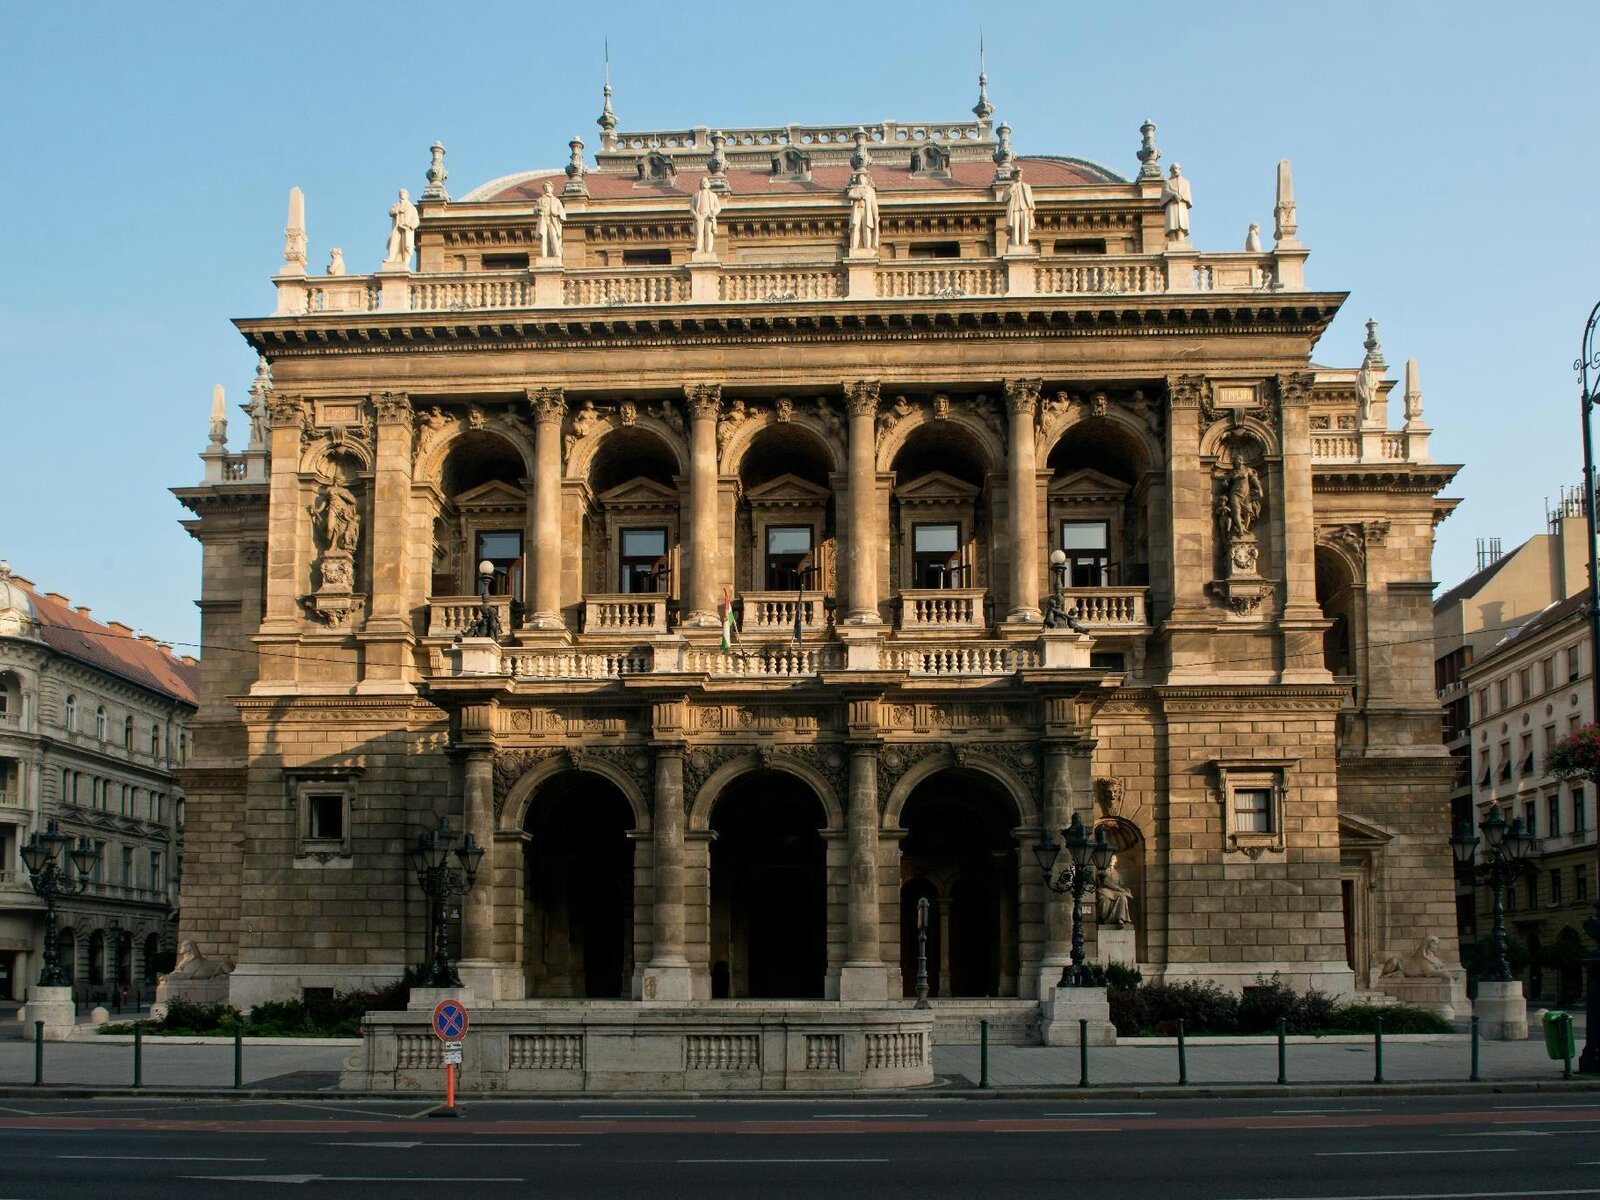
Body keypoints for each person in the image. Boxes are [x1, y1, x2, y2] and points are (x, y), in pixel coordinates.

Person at [384, 189, 419, 266]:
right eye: (401, 193)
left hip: (406, 229)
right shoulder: (396, 205)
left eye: (404, 193)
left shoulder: (411, 207)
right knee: (393, 241)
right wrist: (398, 210)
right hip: (397, 227)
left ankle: (405, 261)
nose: (402, 194)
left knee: (406, 245)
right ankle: (391, 258)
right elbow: (391, 212)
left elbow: (416, 220)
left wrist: (409, 225)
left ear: (407, 195)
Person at [1096, 856, 1134, 927]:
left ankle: (1120, 918)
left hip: (1115, 893)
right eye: (1110, 858)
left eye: (1113, 859)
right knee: (1105, 900)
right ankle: (1107, 919)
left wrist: (1126, 889)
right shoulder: (1102, 871)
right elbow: (1105, 882)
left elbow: (1121, 885)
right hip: (1105, 891)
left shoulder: (1118, 874)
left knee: (1123, 898)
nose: (1111, 860)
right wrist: (1120, 890)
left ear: (1116, 861)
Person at [1004, 167, 1035, 251]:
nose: (1019, 175)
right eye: (1017, 173)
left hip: (1025, 209)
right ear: (1013, 175)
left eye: (1020, 173)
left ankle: (1025, 243)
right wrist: (1012, 188)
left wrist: (1031, 210)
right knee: (1015, 227)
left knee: (1024, 227)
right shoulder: (1009, 187)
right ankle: (1015, 243)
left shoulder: (1027, 187)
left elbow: (1031, 201)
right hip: (1014, 209)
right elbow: (1004, 199)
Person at [848, 171, 879, 252]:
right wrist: (859, 196)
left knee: (866, 228)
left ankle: (867, 247)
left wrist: (876, 215)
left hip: (866, 210)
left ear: (866, 179)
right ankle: (854, 247)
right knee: (856, 228)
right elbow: (850, 195)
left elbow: (874, 204)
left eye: (863, 177)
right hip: (857, 210)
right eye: (860, 177)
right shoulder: (855, 189)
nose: (861, 179)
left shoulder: (870, 191)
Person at [1161, 164, 1193, 243]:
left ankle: (1180, 238)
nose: (1175, 170)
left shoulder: (1185, 182)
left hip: (1182, 204)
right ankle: (1172, 238)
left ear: (1180, 169)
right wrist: (1173, 194)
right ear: (1171, 171)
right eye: (1173, 169)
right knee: (1172, 222)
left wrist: (1182, 197)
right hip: (1171, 204)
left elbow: (1187, 193)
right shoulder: (1167, 182)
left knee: (1181, 222)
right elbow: (1165, 191)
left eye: (1177, 168)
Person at [691, 177, 723, 256]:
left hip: (709, 216)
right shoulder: (696, 196)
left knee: (709, 233)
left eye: (705, 181)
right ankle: (698, 249)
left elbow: (718, 207)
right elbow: (692, 208)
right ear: (700, 184)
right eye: (702, 181)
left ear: (708, 184)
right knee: (699, 233)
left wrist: (713, 213)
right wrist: (695, 215)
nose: (704, 183)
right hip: (700, 216)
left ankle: (708, 250)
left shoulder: (713, 195)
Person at [536, 182, 567, 259]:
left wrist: (556, 213)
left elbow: (562, 212)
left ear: (552, 188)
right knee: (544, 238)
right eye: (545, 186)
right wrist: (538, 210)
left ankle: (557, 254)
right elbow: (535, 209)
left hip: (552, 221)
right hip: (543, 219)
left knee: (553, 236)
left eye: (548, 186)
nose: (547, 188)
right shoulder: (540, 200)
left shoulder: (556, 201)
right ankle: (544, 256)